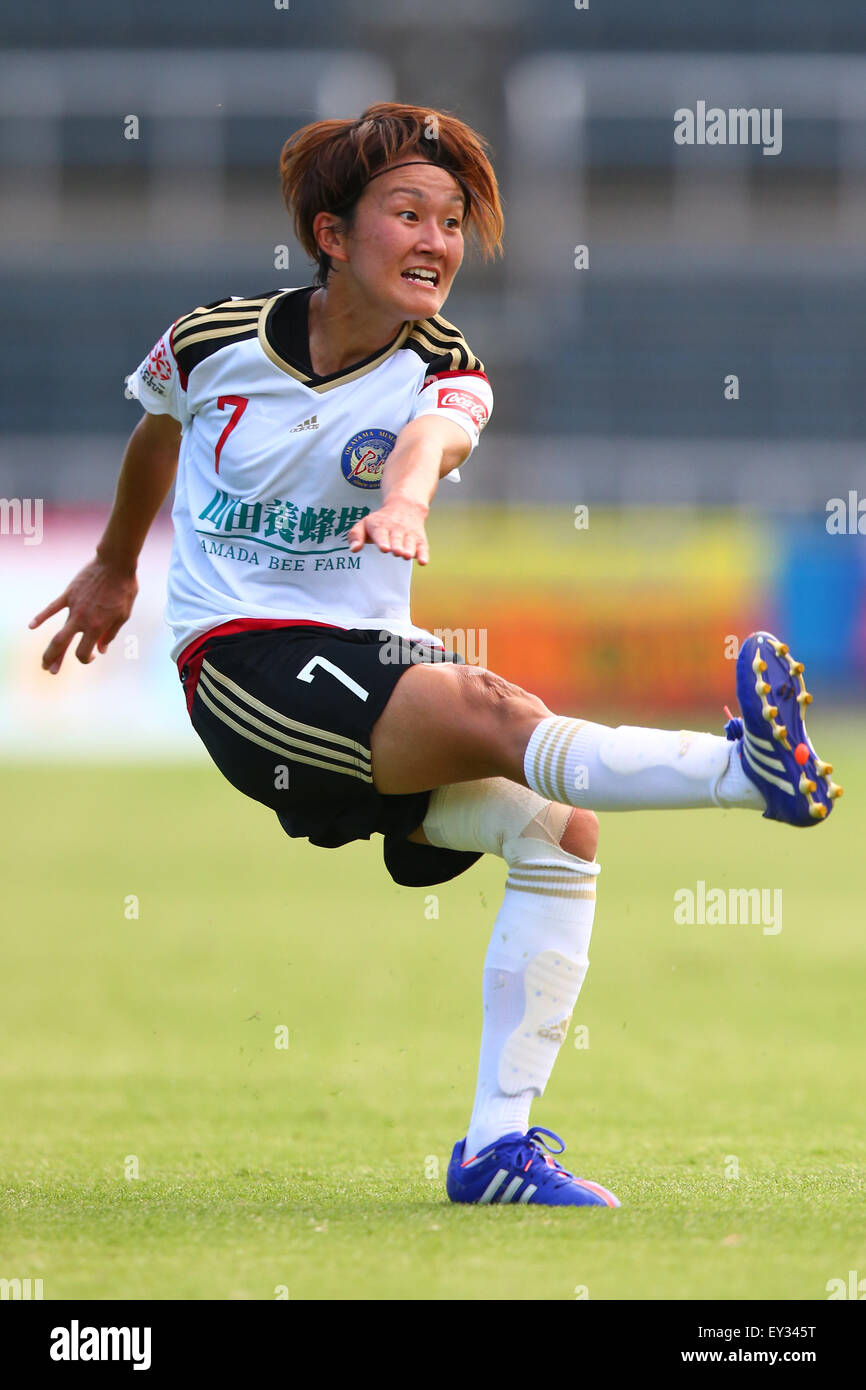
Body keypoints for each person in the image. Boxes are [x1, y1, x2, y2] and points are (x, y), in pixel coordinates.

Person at [30, 103, 841, 1209]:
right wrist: (117, 567)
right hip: (239, 667)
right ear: (329, 233)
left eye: (452, 220)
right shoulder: (212, 339)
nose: (436, 241)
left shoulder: (443, 361)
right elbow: (156, 426)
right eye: (406, 213)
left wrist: (404, 502)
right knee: (489, 706)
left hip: (365, 656)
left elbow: (432, 438)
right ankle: (742, 774)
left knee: (559, 830)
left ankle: (495, 1151)